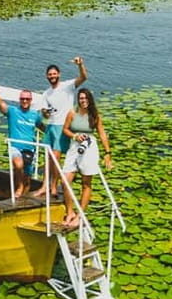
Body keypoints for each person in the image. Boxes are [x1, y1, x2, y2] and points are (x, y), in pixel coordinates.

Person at [33, 56, 88, 198]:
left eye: (54, 74)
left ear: (59, 74)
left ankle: (53, 187)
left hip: (62, 126)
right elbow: (44, 115)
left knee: (56, 157)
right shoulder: (46, 93)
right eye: (50, 74)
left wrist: (80, 65)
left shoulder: (67, 86)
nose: (52, 76)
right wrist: (45, 113)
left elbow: (83, 77)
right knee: (47, 158)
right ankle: (44, 186)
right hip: (50, 126)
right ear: (47, 76)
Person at [61, 88, 113, 226]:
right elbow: (65, 129)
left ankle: (80, 216)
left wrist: (107, 153)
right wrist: (75, 136)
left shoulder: (95, 115)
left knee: (86, 183)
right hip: (74, 147)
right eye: (81, 98)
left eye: (85, 98)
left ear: (89, 99)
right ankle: (70, 212)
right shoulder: (72, 112)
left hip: (90, 148)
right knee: (65, 181)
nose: (83, 101)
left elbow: (102, 134)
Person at [0, 84, 43, 197]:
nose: (24, 101)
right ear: (19, 100)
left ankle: (23, 198)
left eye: (27, 99)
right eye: (22, 99)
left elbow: (43, 127)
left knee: (27, 179)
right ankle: (19, 187)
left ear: (31, 100)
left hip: (30, 148)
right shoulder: (13, 111)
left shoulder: (35, 115)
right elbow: (2, 105)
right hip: (15, 146)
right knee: (18, 165)